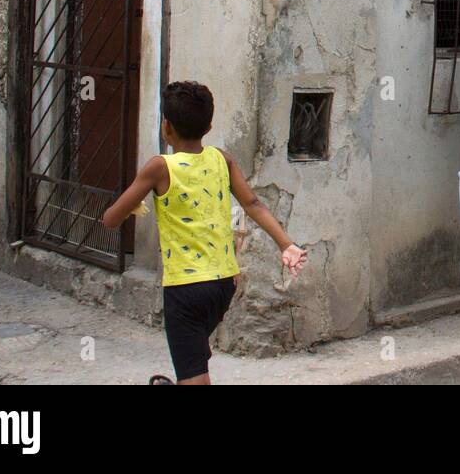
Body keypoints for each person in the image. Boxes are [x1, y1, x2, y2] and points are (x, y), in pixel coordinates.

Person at [103, 80, 307, 384]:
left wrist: (133, 203)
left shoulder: (160, 167)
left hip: (185, 288)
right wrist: (286, 244)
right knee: (194, 354)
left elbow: (110, 219)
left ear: (166, 127)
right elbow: (253, 204)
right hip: (224, 284)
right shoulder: (221, 159)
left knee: (194, 373)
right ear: (209, 126)